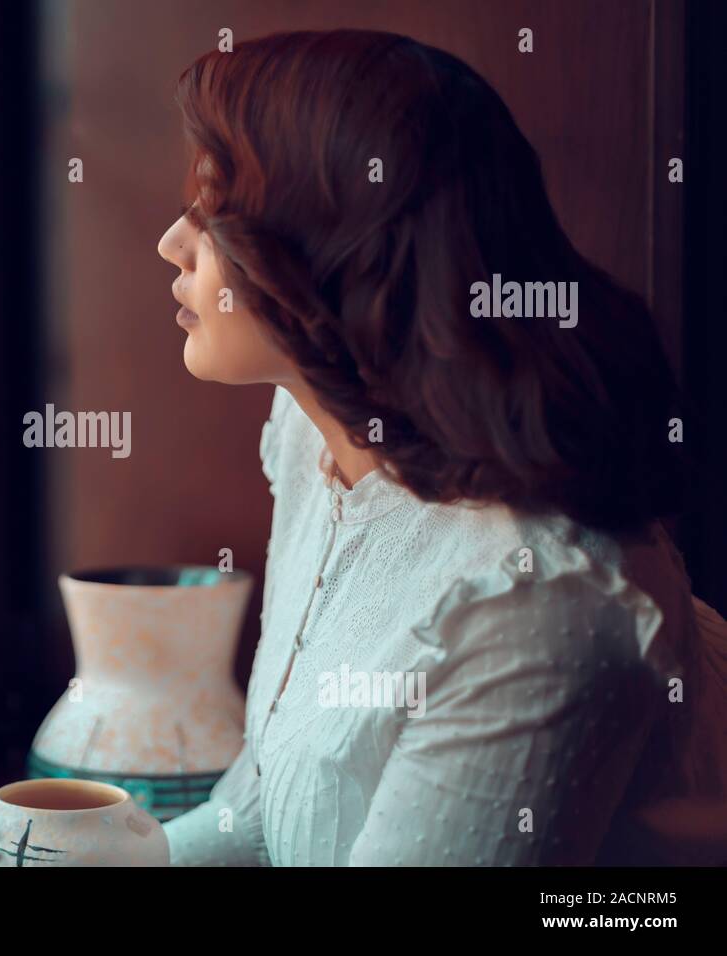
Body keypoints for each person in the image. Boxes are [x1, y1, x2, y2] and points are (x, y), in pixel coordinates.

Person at [156, 30, 723, 866]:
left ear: (339, 249)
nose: (173, 242)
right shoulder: (317, 439)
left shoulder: (536, 602)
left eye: (213, 211)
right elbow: (271, 802)